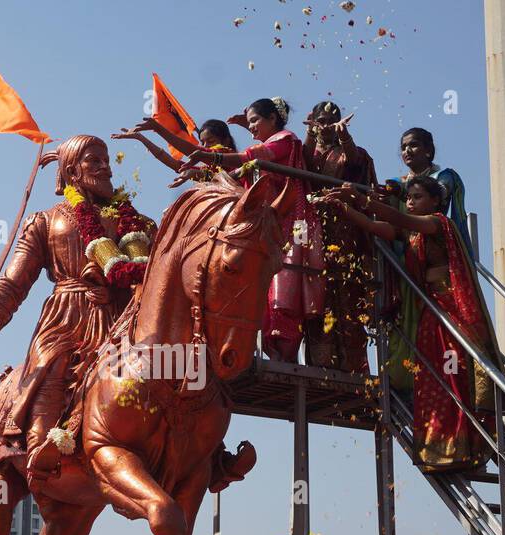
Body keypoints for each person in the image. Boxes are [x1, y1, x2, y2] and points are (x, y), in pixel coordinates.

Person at [0, 135, 157, 480]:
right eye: (95, 161)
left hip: (127, 322)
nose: (106, 167)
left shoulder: (141, 225)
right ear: (73, 172)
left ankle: (203, 456)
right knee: (54, 364)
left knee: (175, 364)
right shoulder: (46, 221)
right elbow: (13, 285)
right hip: (69, 322)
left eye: (107, 160)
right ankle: (40, 451)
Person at [317, 177, 502, 473]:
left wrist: (359, 198)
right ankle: (439, 449)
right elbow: (380, 227)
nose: (412, 202)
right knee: (432, 376)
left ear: (436, 202)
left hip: (449, 309)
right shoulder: (413, 232)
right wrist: (345, 208)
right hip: (430, 311)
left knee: (452, 371)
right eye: (410, 197)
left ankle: (465, 444)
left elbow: (398, 217)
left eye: (417, 197)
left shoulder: (438, 223)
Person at [178, 97, 322, 363]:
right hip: (275, 226)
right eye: (249, 122)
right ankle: (272, 350)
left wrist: (213, 156)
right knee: (265, 287)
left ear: (272, 119)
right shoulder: (272, 140)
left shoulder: (286, 139)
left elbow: (249, 158)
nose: (251, 127)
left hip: (293, 225)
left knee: (284, 289)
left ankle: (283, 355)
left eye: (255, 121)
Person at [383, 128, 474, 391]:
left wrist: (398, 191)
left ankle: (444, 390)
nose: (407, 151)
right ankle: (408, 386)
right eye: (403, 147)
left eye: (413, 145)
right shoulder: (395, 183)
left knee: (443, 336)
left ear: (428, 150)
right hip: (405, 268)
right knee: (407, 328)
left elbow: (439, 196)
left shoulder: (444, 177)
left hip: (437, 271)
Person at [301, 101, 378, 372]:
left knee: (347, 295)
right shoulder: (307, 153)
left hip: (345, 234)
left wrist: (343, 134)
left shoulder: (349, 152)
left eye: (331, 120)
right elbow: (301, 162)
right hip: (311, 234)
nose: (326, 125)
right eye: (321, 120)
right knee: (315, 295)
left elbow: (355, 161)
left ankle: (353, 365)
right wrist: (311, 132)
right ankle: (320, 364)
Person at [112, 117, 237, 183]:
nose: (205, 146)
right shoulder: (208, 169)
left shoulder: (229, 155)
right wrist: (141, 139)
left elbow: (191, 150)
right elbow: (178, 166)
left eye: (210, 142)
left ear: (225, 141)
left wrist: (159, 128)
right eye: (203, 143)